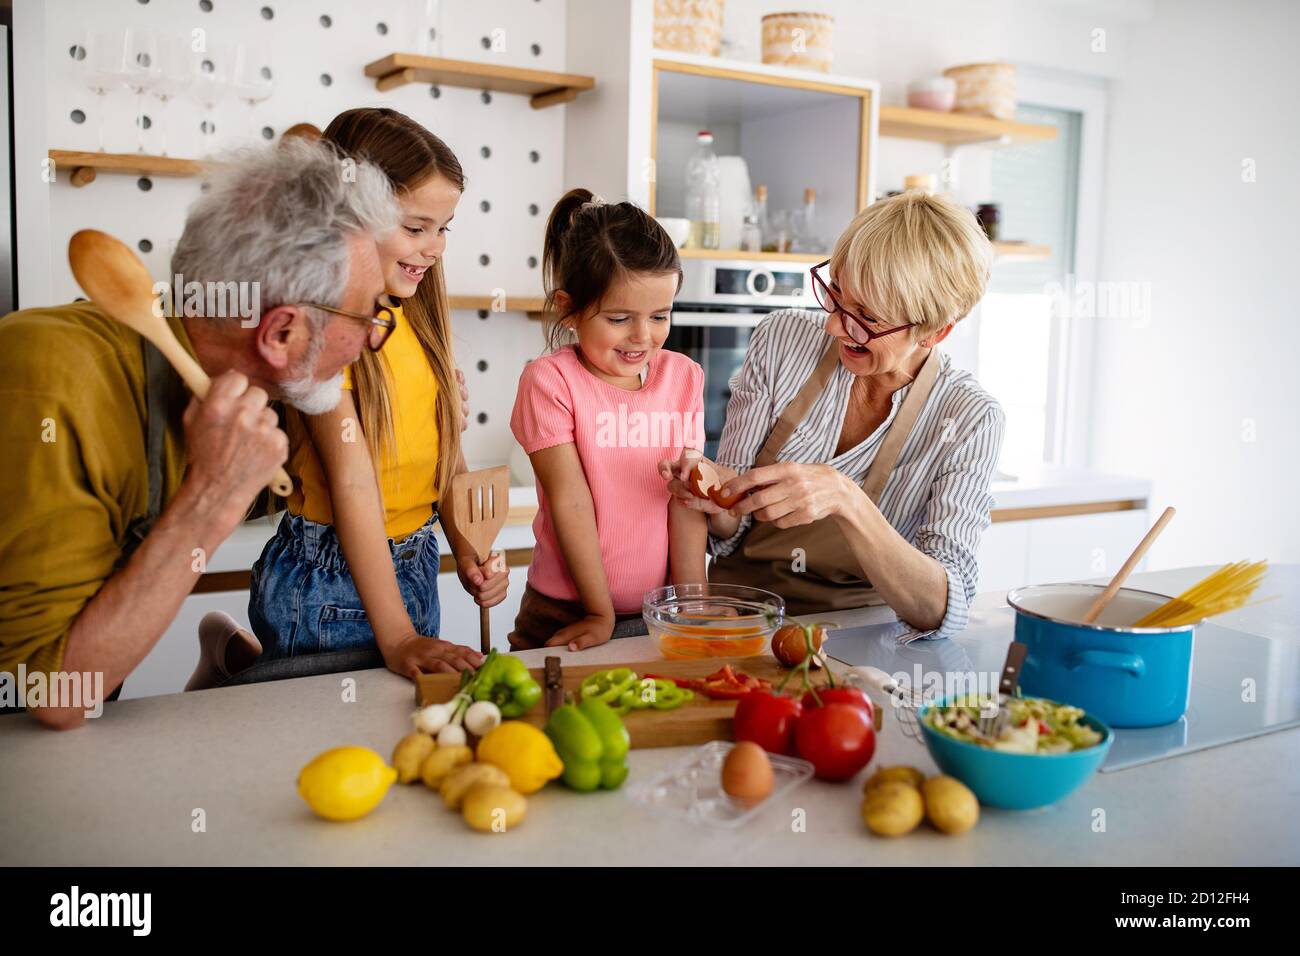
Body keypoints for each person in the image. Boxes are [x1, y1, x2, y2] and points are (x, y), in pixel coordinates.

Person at [0, 138, 400, 728]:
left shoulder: (232, 382)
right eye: (368, 315)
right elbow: (56, 692)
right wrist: (214, 494)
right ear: (281, 332)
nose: (372, 338)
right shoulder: (57, 383)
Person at [213, 108, 506, 688]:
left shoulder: (416, 325)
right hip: (328, 580)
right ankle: (231, 669)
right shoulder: (327, 333)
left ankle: (230, 663)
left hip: (413, 564)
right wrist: (397, 637)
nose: (435, 248)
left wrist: (466, 546)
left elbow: (442, 456)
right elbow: (352, 479)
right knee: (317, 744)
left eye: (444, 228)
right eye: (416, 228)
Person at [662, 190, 1006, 638]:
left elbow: (940, 608)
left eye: (866, 316)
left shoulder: (970, 418)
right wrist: (715, 496)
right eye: (837, 293)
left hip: (861, 640)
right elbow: (729, 527)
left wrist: (848, 500)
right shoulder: (783, 338)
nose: (834, 325)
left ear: (934, 331)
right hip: (739, 622)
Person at [508, 189, 706, 651]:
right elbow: (570, 502)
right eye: (619, 318)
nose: (643, 336)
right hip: (566, 610)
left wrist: (692, 604)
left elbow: (687, 497)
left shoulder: (683, 378)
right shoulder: (550, 381)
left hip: (660, 611)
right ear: (569, 309)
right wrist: (599, 612)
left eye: (660, 315)